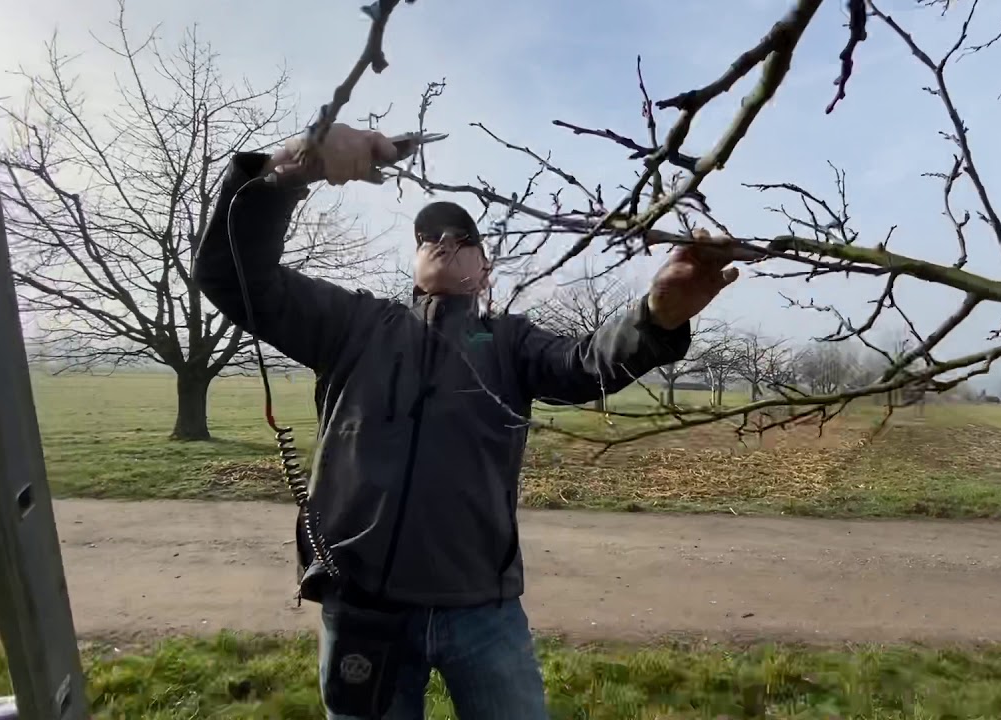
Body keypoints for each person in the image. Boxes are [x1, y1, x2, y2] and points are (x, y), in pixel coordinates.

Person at [194, 123, 739, 719]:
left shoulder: (509, 341)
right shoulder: (354, 324)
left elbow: (586, 364)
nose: (444, 240)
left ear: (486, 270)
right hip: (363, 608)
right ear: (414, 260)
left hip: (482, 610)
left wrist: (655, 318)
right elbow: (230, 275)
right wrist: (289, 172)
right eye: (429, 235)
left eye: (462, 235)